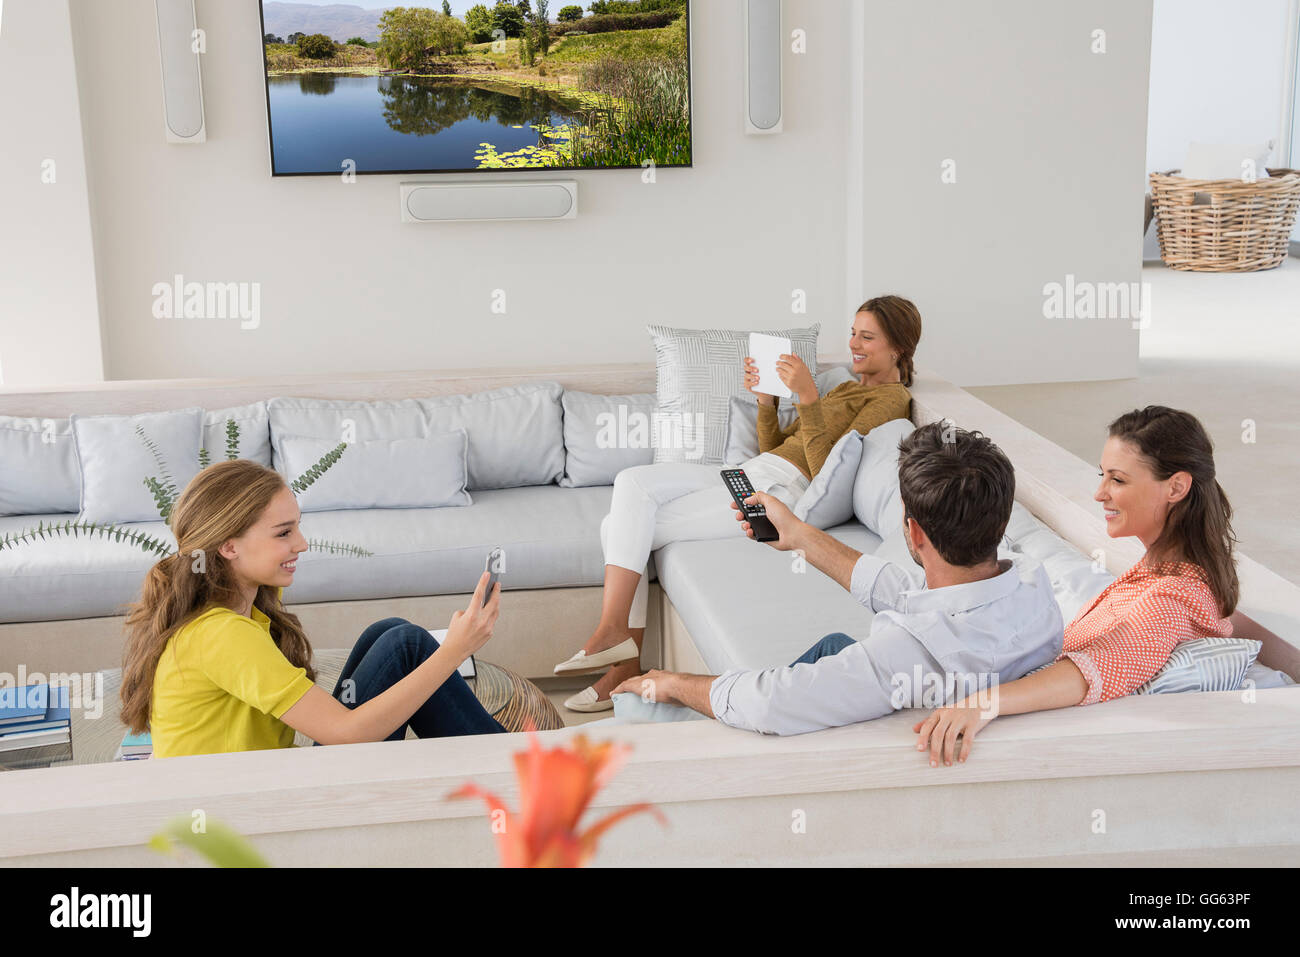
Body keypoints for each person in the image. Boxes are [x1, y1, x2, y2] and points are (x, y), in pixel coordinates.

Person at [553, 296, 924, 714]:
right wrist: (768, 401)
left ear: (899, 348)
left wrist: (807, 398)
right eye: (853, 332)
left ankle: (618, 649)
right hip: (756, 468)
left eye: (867, 336)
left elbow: (826, 470)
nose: (855, 343)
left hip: (784, 491)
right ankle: (617, 641)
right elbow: (781, 444)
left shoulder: (892, 401)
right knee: (631, 484)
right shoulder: (843, 388)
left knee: (620, 530)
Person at [610, 422, 1064, 735]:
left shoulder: (902, 654)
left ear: (913, 532)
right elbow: (914, 598)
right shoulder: (1032, 588)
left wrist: (671, 682)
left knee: (646, 701)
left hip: (838, 721)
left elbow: (769, 702)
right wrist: (799, 536)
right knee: (832, 642)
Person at [913, 406, 1239, 767]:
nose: (1100, 493)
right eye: (1103, 476)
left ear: (1176, 487)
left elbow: (1099, 668)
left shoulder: (1171, 599)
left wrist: (981, 705)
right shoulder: (1160, 571)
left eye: (1118, 480)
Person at [119, 460, 504, 758]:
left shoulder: (235, 604)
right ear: (228, 546)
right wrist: (456, 649)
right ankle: (525, 777)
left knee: (389, 634)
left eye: (297, 527)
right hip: (256, 808)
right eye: (284, 533)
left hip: (268, 779)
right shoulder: (221, 635)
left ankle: (516, 766)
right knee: (406, 644)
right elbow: (346, 733)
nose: (301, 544)